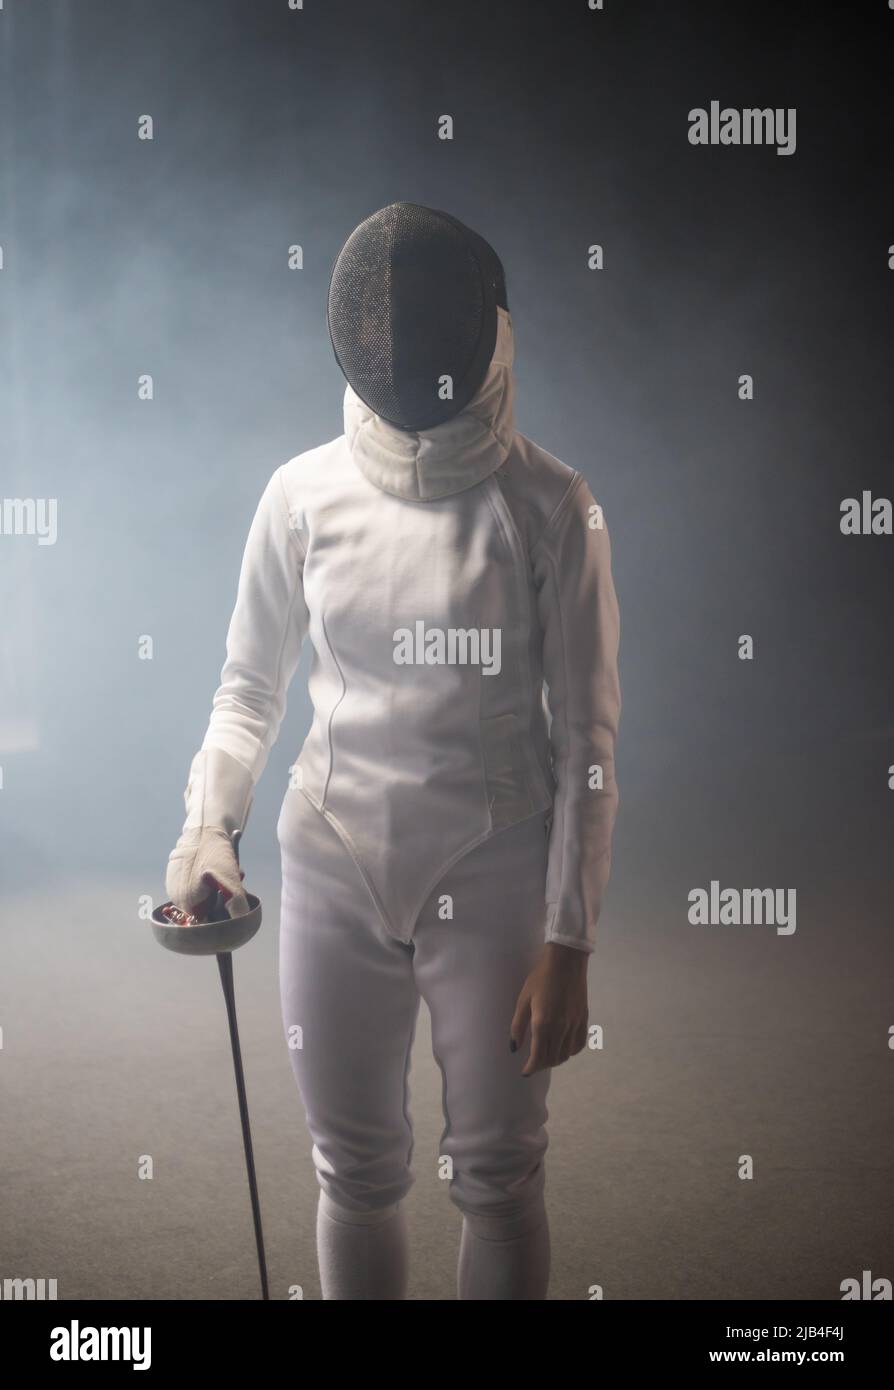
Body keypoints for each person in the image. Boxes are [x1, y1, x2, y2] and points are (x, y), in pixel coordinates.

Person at [165, 202, 622, 1300]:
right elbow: (248, 689)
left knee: (500, 1177)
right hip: (332, 862)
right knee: (354, 1171)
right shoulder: (300, 495)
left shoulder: (553, 505)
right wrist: (208, 827)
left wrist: (570, 940)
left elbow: (592, 740)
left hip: (500, 871)